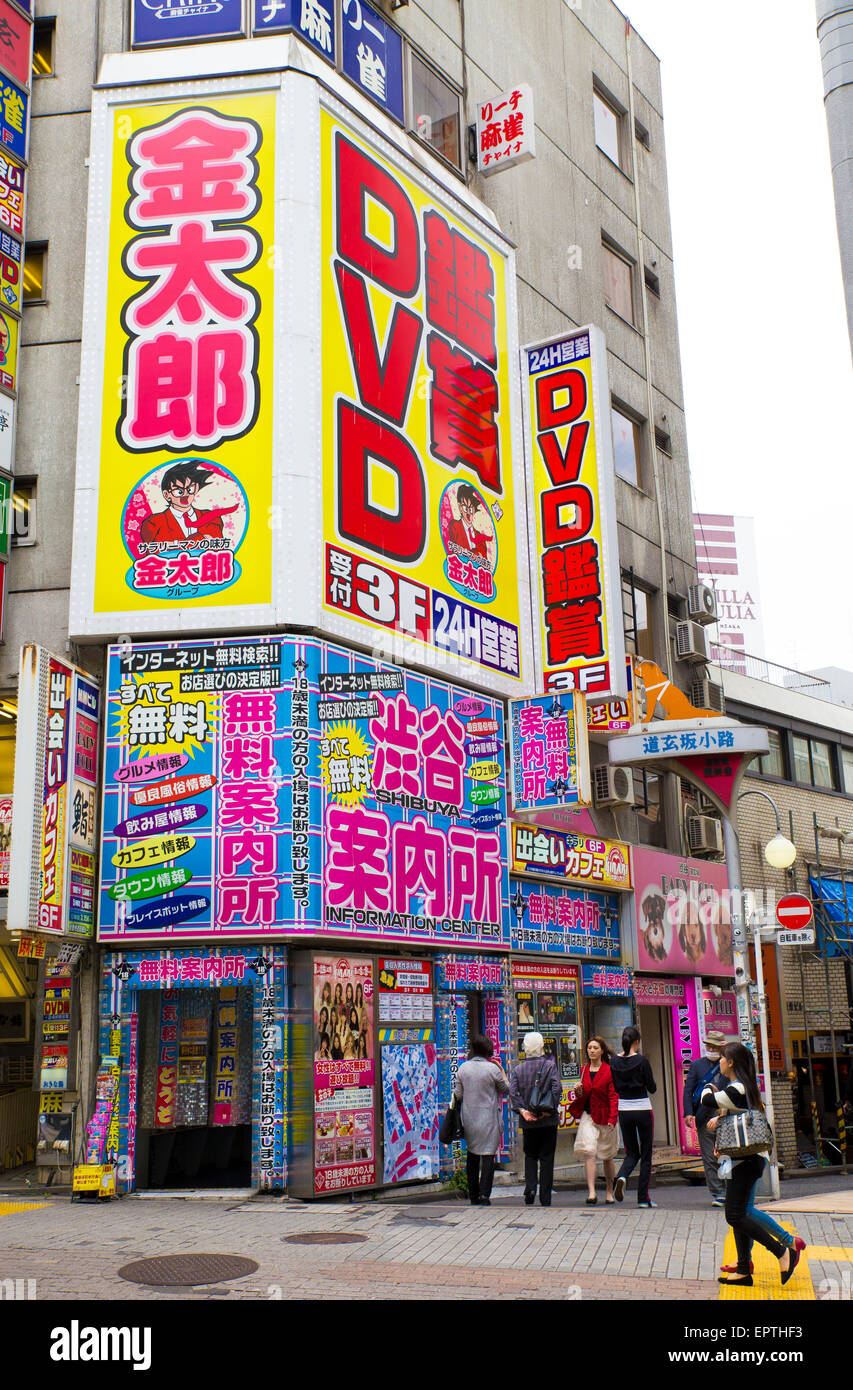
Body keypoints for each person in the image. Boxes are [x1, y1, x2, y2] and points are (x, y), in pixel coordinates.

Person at [707, 1041, 805, 1287]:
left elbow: (707, 1100)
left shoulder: (737, 1087)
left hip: (745, 1160)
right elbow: (733, 1114)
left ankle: (784, 1249)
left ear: (730, 1062)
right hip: (743, 1159)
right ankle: (743, 1268)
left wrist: (707, 1087)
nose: (718, 1062)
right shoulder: (741, 1086)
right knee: (740, 1215)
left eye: (722, 1058)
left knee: (736, 1214)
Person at [453, 1035, 510, 1206]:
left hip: (469, 1117)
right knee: (487, 1156)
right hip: (489, 1119)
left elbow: (458, 1095)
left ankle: (474, 1194)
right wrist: (503, 1072)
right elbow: (506, 1089)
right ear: (489, 1051)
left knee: (472, 1154)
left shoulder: (463, 1068)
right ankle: (485, 1194)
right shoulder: (492, 1070)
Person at [509, 1031, 561, 1207]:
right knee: (547, 1156)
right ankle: (545, 1196)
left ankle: (530, 1188)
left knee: (530, 1154)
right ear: (541, 1047)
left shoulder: (518, 1069)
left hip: (528, 1121)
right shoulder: (550, 1066)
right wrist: (549, 1109)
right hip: (548, 1119)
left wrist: (523, 1111)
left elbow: (513, 1093)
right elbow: (557, 1088)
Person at [610, 1025, 657, 1208]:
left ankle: (622, 1176)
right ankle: (643, 1199)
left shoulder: (614, 1062)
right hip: (643, 1108)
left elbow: (614, 1086)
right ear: (636, 1042)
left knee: (631, 1152)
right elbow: (652, 1087)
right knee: (646, 1154)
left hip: (624, 1110)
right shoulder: (642, 1061)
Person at [683, 1029, 727, 1207]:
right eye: (708, 1045)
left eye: (714, 1046)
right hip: (704, 1116)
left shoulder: (729, 1064)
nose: (710, 1049)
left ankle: (729, 1189)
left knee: (727, 1155)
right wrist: (688, 1112)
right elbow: (688, 1090)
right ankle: (718, 1193)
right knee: (709, 1157)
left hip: (726, 1116)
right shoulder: (697, 1065)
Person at [572, 1037, 619, 1204]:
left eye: (595, 1048)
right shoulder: (584, 1070)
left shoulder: (609, 1070)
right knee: (589, 1151)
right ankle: (591, 1192)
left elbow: (614, 1096)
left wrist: (613, 1118)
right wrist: (578, 1091)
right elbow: (583, 1095)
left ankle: (609, 1191)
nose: (591, 1050)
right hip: (588, 1116)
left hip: (606, 1117)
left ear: (602, 1051)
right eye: (589, 1048)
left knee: (607, 1156)